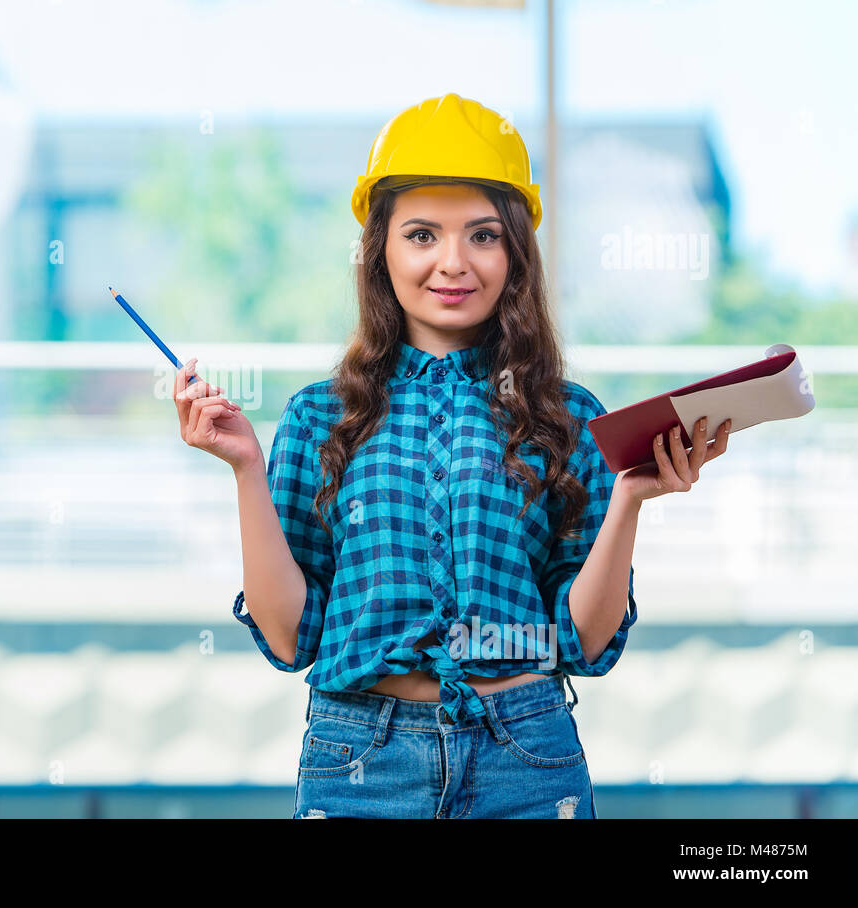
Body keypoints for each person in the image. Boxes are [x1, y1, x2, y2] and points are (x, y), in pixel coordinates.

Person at [172, 93, 731, 819]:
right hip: (360, 763)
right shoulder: (319, 418)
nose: (453, 262)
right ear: (381, 251)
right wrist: (246, 467)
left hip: (525, 756)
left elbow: (583, 644)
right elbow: (289, 637)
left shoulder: (570, 417)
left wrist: (629, 499)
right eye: (422, 234)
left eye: (483, 235)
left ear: (515, 253)